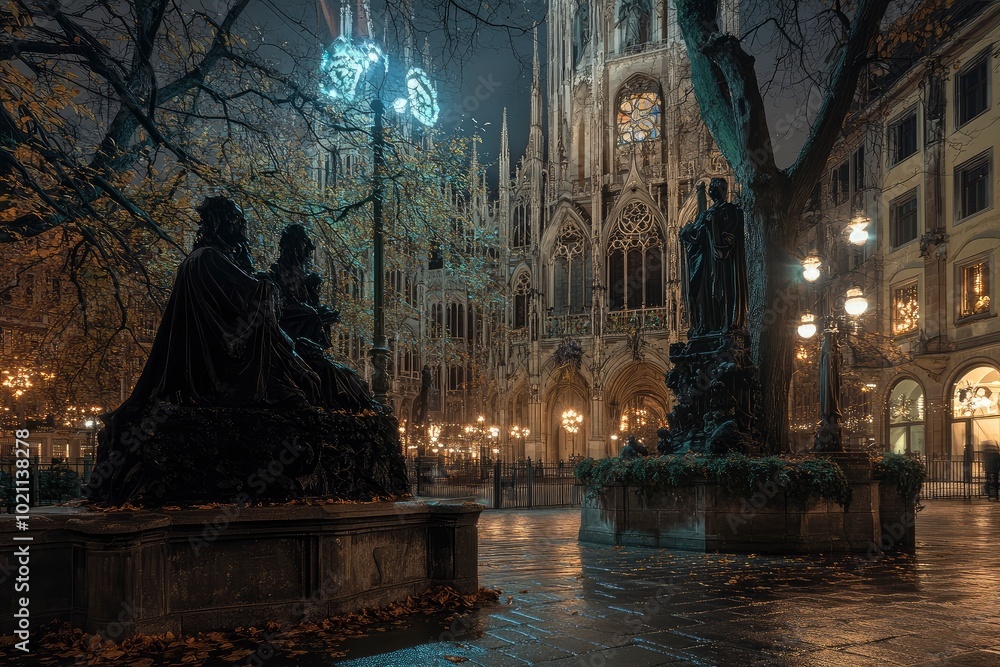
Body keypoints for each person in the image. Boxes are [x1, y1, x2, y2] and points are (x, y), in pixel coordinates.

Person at [269, 224, 381, 412]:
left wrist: (321, 311)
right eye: (305, 248)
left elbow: (308, 309)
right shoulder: (279, 274)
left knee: (350, 377)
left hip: (306, 344)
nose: (308, 254)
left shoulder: (303, 277)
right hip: (290, 345)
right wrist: (315, 315)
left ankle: (365, 406)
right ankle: (342, 409)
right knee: (328, 373)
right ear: (295, 248)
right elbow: (283, 310)